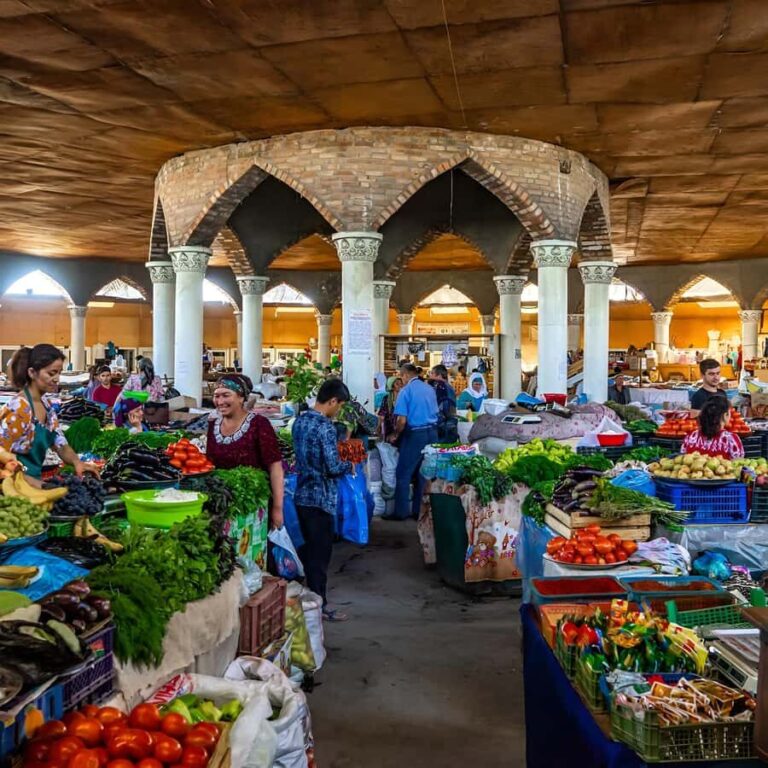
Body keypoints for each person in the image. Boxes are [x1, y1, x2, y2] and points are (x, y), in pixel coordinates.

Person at [292, 378, 353, 621]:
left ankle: (310, 602)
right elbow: (332, 467)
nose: (339, 410)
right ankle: (319, 606)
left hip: (302, 496)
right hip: (321, 498)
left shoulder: (300, 421)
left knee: (308, 552)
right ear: (332, 401)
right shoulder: (325, 427)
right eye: (339, 405)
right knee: (320, 556)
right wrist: (350, 466)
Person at [0, 345, 98, 481]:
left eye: (59, 372)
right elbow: (1, 453)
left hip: (34, 483)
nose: (57, 379)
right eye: (51, 373)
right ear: (32, 372)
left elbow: (60, 444)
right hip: (12, 486)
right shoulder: (19, 408)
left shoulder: (46, 405)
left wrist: (77, 462)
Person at [206, 374, 284, 528]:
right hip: (221, 504)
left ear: (241, 398)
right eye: (217, 396)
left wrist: (277, 508)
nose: (220, 401)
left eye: (226, 395)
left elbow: (275, 468)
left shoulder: (259, 424)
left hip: (253, 506)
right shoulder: (213, 425)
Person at [385, 363, 438, 521]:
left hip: (415, 434)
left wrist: (395, 434)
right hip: (433, 433)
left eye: (401, 376)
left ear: (405, 375)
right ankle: (418, 511)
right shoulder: (429, 388)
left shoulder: (405, 391)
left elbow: (401, 420)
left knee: (403, 473)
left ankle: (400, 512)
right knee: (423, 474)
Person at [429, 364, 458, 443]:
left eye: (432, 373)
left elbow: (442, 407)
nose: (430, 376)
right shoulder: (449, 386)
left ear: (439, 375)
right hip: (450, 423)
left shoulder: (440, 386)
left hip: (444, 425)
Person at [377, 376, 403, 442]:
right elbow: (382, 415)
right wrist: (379, 426)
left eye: (401, 384)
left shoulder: (404, 398)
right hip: (389, 427)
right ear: (391, 386)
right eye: (397, 384)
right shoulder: (386, 399)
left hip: (401, 427)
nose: (400, 385)